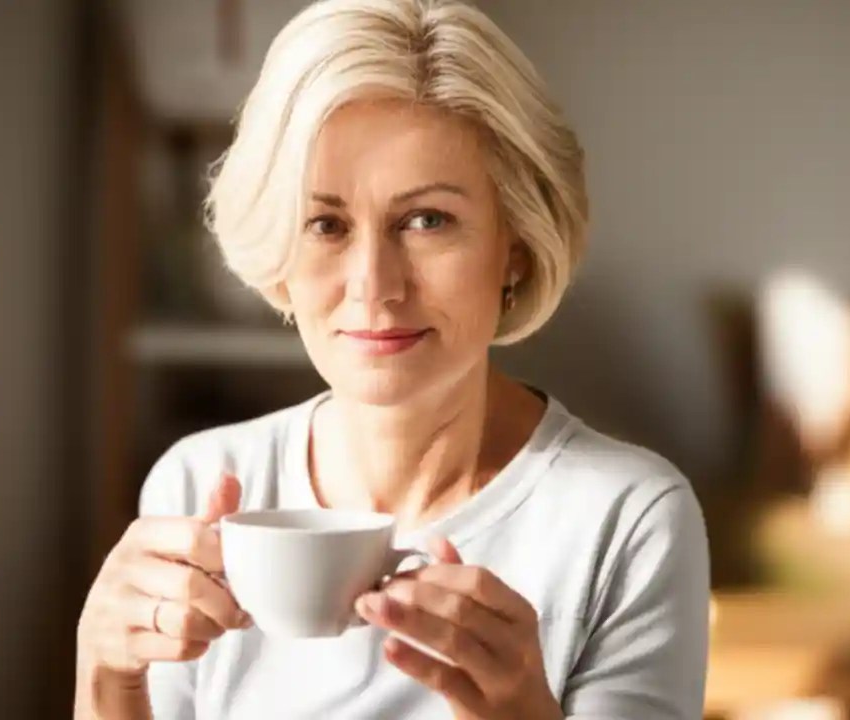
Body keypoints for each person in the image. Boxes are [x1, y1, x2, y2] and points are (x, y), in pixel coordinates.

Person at [75, 0, 710, 717]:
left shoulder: (628, 521)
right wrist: (106, 677)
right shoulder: (197, 485)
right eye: (326, 224)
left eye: (427, 220)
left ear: (517, 247)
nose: (374, 285)